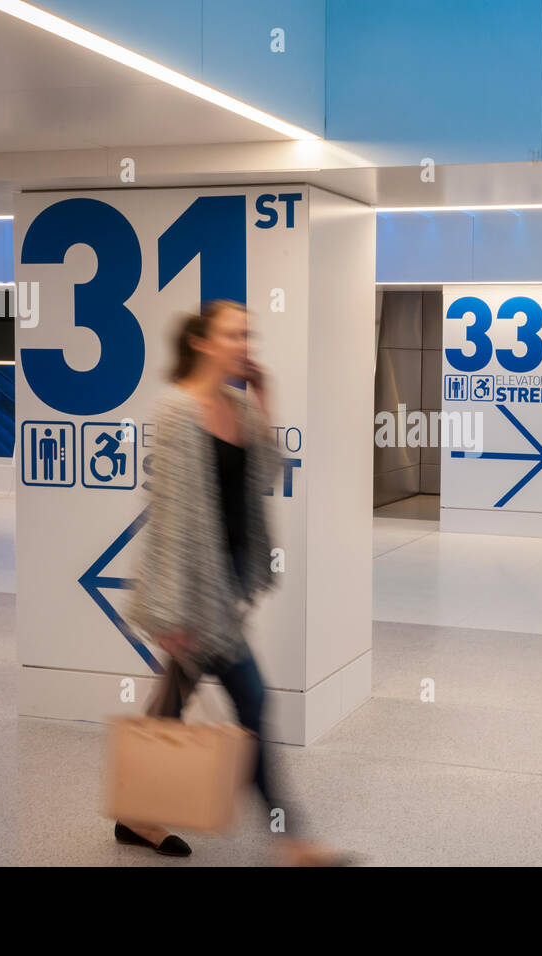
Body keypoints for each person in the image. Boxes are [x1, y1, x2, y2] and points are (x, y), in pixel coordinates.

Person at [118, 299, 346, 867]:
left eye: (248, 334)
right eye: (234, 334)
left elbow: (267, 471)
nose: (245, 344)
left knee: (172, 701)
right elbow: (167, 515)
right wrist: (172, 614)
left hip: (231, 580)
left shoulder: (237, 408)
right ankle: (293, 840)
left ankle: (132, 809)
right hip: (197, 593)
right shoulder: (175, 411)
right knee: (254, 699)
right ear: (202, 342)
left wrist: (265, 395)